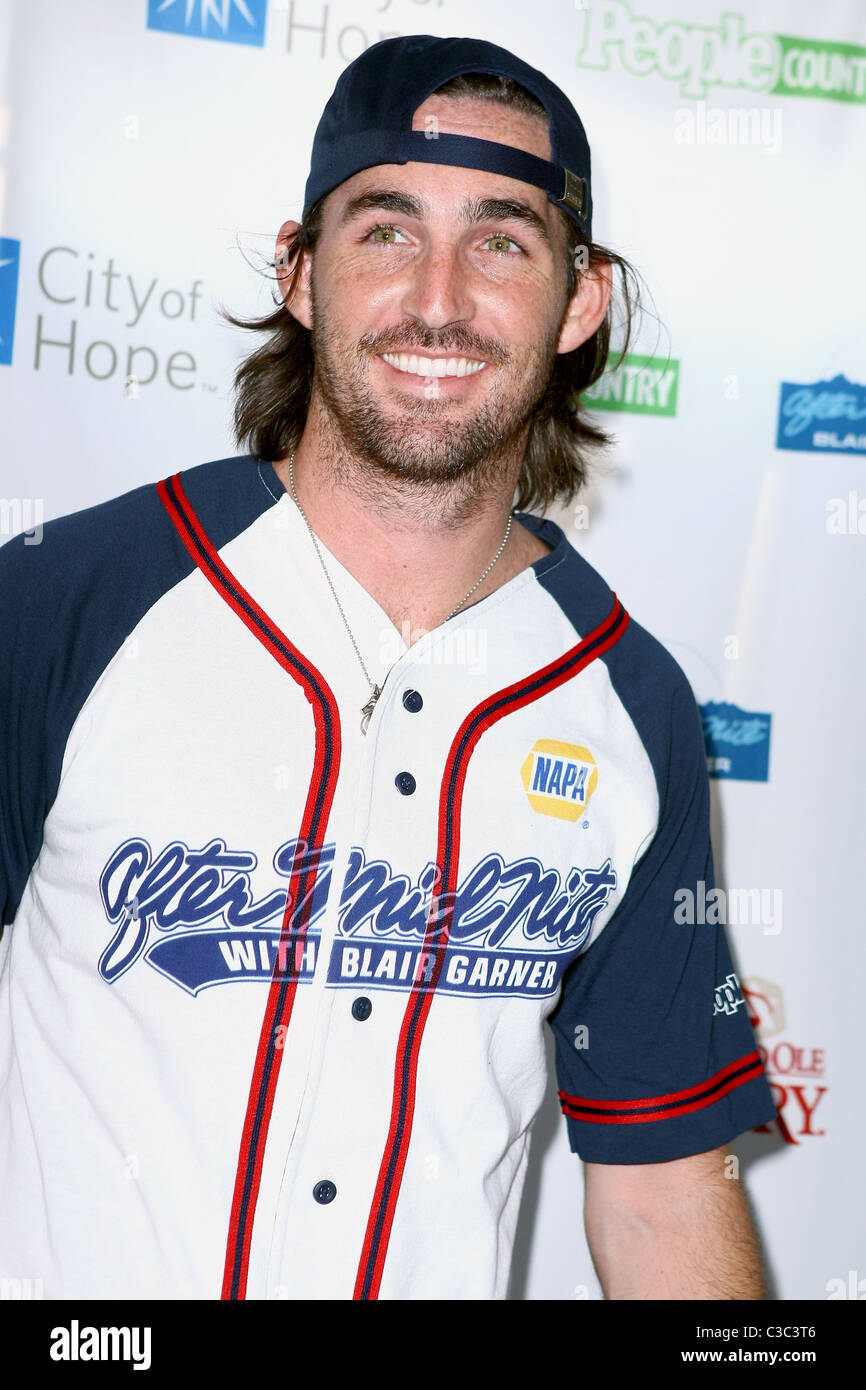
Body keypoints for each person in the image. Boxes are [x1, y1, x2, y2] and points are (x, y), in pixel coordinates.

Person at [0, 35, 777, 1301]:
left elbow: (657, 1185)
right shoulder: (66, 599)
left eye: (501, 240)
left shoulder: (631, 703)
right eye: (383, 231)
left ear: (578, 302)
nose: (438, 297)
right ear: (299, 275)